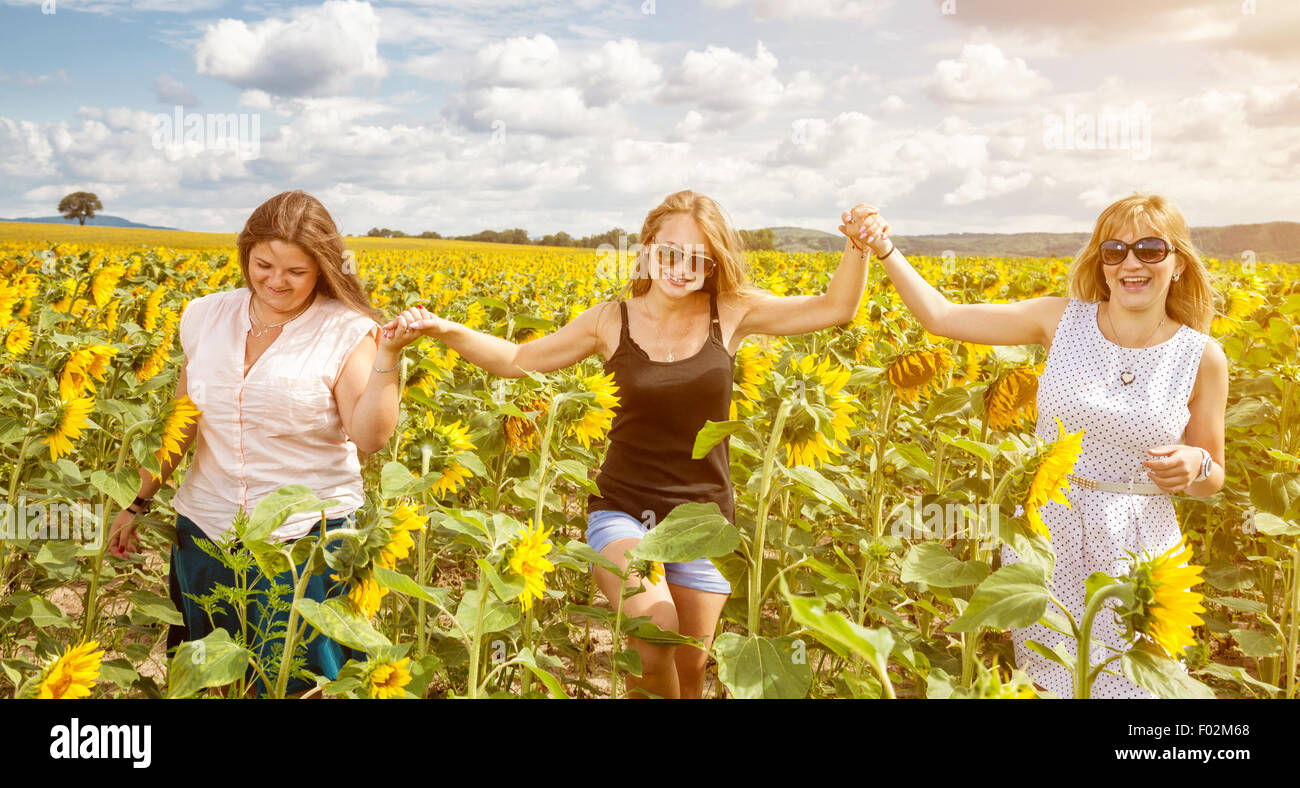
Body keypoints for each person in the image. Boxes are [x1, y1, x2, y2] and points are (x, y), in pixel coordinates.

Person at [384, 189, 880, 698]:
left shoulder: (729, 312)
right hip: (623, 509)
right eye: (669, 251)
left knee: (690, 671)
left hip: (704, 518)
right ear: (646, 249)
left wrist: (858, 244)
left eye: (696, 257)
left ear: (712, 264)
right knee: (653, 632)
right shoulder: (609, 320)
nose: (680, 267)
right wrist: (444, 330)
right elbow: (518, 358)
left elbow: (837, 307)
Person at [843, 193, 1227, 697]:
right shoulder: (1059, 320)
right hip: (1051, 531)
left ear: (1177, 262)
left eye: (1150, 249)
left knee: (1134, 687)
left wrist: (1196, 464)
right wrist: (885, 249)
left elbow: (1213, 473)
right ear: (1102, 264)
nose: (1132, 263)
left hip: (1139, 546)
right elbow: (942, 316)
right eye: (1115, 251)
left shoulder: (1201, 356)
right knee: (1050, 679)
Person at [107, 190, 422, 695]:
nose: (276, 281)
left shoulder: (343, 329)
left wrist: (388, 358)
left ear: (322, 268)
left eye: (296, 271)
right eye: (264, 264)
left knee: (295, 681)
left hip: (303, 545)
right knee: (209, 676)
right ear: (245, 255)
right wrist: (139, 499)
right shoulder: (207, 316)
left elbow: (370, 436)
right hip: (206, 530)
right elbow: (183, 421)